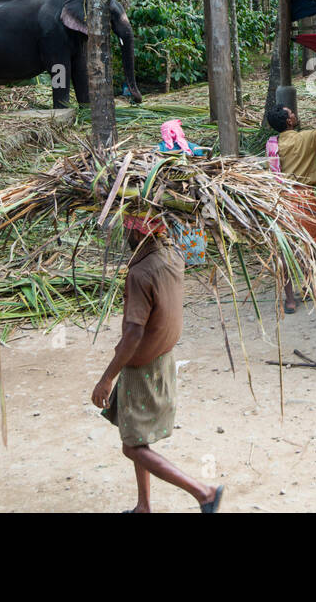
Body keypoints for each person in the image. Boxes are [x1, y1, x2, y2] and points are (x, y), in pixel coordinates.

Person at [92, 214, 223, 514]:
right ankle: (144, 506)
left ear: (138, 233)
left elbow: (134, 332)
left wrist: (106, 378)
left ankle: (203, 492)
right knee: (137, 437)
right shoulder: (173, 254)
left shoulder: (140, 272)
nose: (124, 234)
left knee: (132, 446)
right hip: (163, 358)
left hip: (143, 368)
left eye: (127, 228)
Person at [266, 97, 316, 313]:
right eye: (291, 113)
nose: (295, 114)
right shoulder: (303, 139)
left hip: (281, 201)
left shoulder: (273, 145)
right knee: (309, 246)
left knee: (285, 250)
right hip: (303, 199)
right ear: (288, 122)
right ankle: (309, 287)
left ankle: (289, 300)